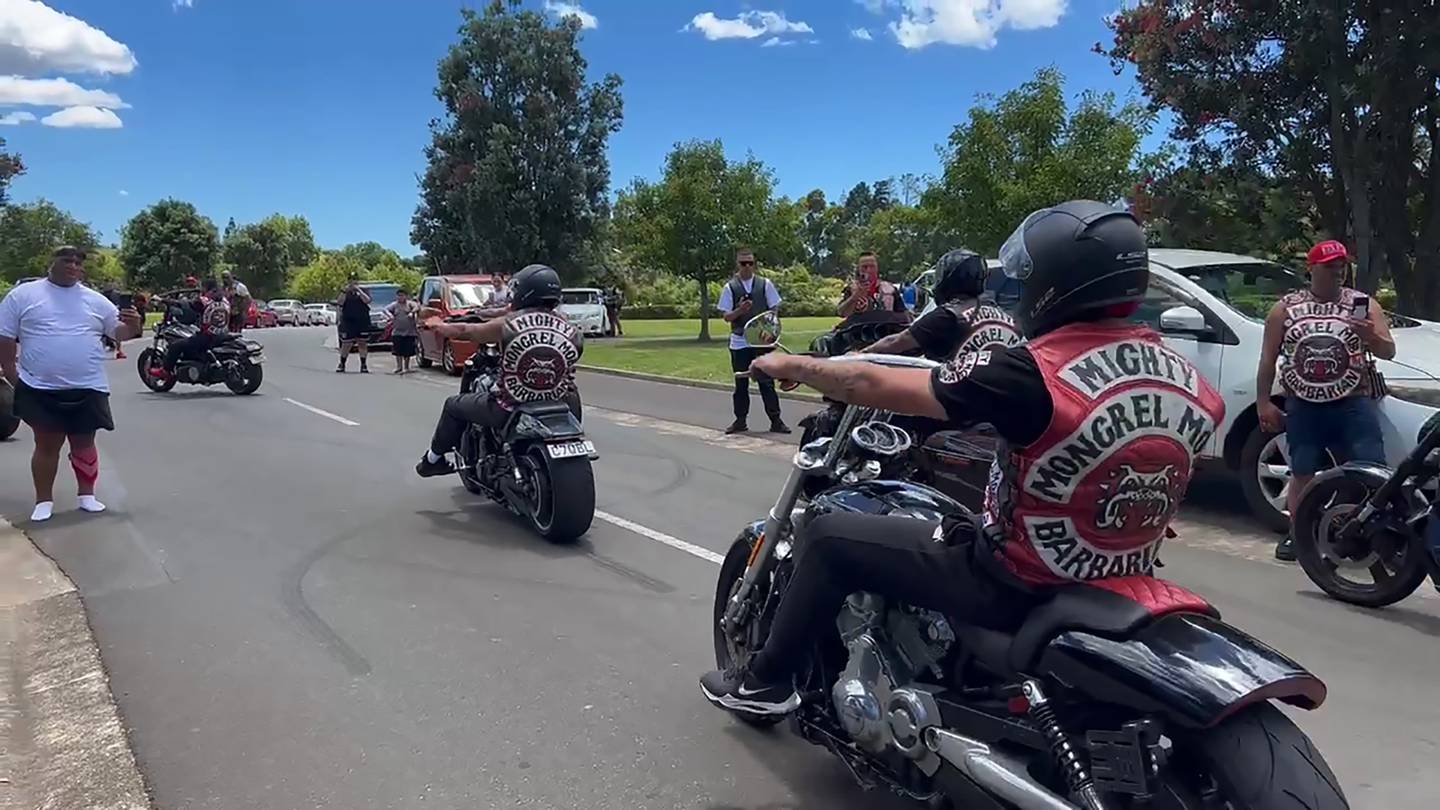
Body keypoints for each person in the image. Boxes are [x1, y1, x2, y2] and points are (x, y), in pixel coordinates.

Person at [698, 201, 1226, 716]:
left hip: (1013, 577)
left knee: (827, 534)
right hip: (1121, 569)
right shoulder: (1183, 373)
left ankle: (764, 684)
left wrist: (794, 363)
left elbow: (867, 380)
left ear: (1056, 284)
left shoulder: (1037, 371)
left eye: (1031, 279)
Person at [1257, 240, 1395, 562]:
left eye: (1342, 267)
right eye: (1329, 267)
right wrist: (1264, 402)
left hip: (1352, 401)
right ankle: (1299, 534)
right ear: (1312, 269)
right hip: (1304, 404)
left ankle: (1376, 534)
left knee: (1372, 468)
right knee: (1302, 471)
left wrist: (1370, 336)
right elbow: (1267, 359)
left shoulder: (1362, 303)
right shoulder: (1285, 308)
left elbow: (1388, 351)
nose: (1337, 273)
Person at [0, 247, 141, 522]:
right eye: (67, 260)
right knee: (46, 444)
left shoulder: (95, 300)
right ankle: (43, 501)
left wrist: (133, 326)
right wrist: (8, 368)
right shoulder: (23, 295)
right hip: (39, 386)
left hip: (88, 385)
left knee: (84, 442)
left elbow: (118, 332)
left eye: (78, 262)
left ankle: (87, 495)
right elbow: (5, 335)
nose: (73, 265)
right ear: (50, 262)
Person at [414, 264, 583, 477]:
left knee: (452, 405)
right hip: (559, 402)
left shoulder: (510, 324)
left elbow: (468, 331)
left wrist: (437, 325)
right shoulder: (570, 328)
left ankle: (433, 460)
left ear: (524, 291)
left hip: (510, 406)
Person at [863, 249, 1023, 361]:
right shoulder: (1003, 314)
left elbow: (895, 343)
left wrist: (860, 354)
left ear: (948, 278)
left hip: (962, 403)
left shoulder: (948, 315)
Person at [718, 248, 789, 435]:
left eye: (751, 263)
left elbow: (774, 309)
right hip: (739, 342)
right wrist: (740, 310)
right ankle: (740, 421)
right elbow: (726, 317)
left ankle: (776, 420)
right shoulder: (730, 288)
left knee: (766, 382)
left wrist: (771, 333)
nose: (747, 266)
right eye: (743, 263)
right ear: (738, 264)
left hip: (761, 342)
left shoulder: (765, 284)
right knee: (741, 383)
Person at [153, 279, 230, 379]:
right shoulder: (225, 299)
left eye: (202, 287)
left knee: (176, 346)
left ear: (206, 288)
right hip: (224, 335)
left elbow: (184, 305)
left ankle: (165, 371)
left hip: (207, 338)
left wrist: (163, 300)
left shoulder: (204, 301)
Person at [837, 252, 905, 319]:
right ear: (858, 269)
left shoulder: (890, 289)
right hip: (858, 328)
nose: (868, 270)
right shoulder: (851, 289)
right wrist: (854, 297)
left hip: (884, 328)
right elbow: (841, 313)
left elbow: (903, 314)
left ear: (877, 268)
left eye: (872, 266)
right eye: (864, 267)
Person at [335, 277, 373, 373]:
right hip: (348, 321)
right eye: (351, 281)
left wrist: (359, 290)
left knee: (362, 343)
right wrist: (344, 291)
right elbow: (339, 302)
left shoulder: (364, 290)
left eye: (355, 281)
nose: (353, 283)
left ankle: (363, 365)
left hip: (362, 321)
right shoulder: (344, 292)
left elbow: (367, 300)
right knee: (346, 343)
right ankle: (342, 364)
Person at [387, 289, 420, 375]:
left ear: (406, 296)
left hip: (409, 332)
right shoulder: (394, 305)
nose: (400, 297)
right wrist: (389, 315)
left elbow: (417, 306)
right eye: (399, 295)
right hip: (397, 332)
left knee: (407, 351)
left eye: (402, 295)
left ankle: (406, 367)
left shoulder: (410, 304)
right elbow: (386, 310)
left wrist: (412, 312)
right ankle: (399, 367)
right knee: (398, 351)